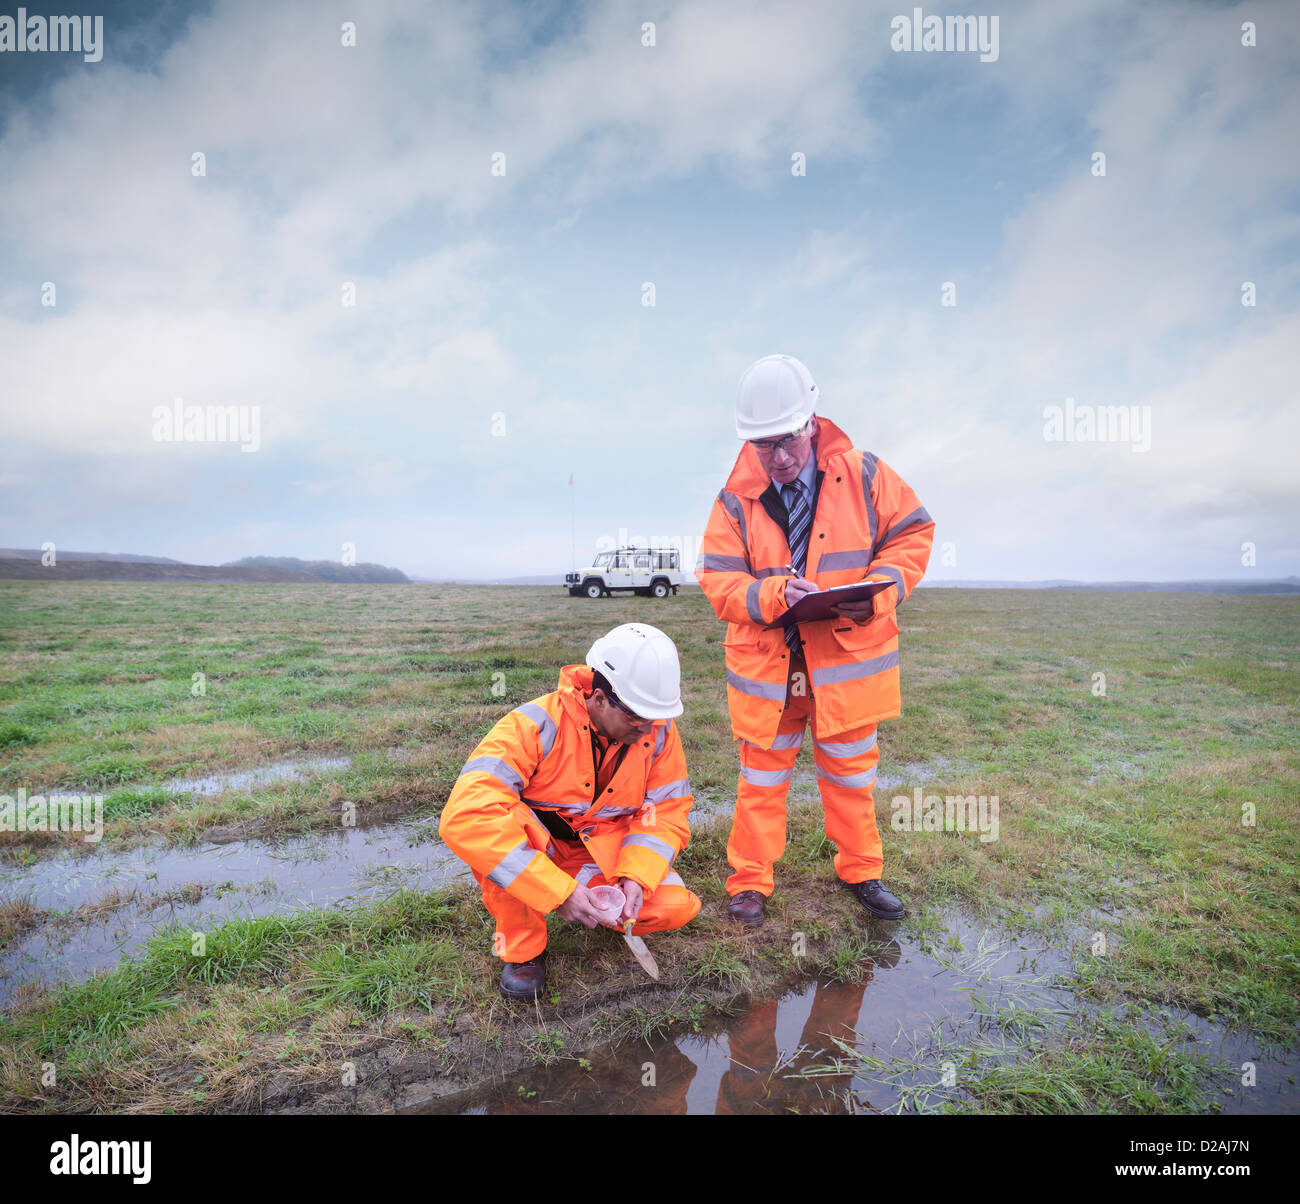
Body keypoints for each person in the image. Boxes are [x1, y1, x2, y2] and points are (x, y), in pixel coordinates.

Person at [696, 354, 935, 927]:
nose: (777, 457)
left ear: (811, 422)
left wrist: (882, 591)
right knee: (760, 780)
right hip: (771, 673)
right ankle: (750, 882)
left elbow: (913, 534)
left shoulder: (867, 473)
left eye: (786, 440)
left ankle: (862, 872)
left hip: (845, 664)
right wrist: (775, 596)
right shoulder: (734, 498)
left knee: (852, 776)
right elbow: (718, 580)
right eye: (762, 445)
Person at [439, 622, 702, 999]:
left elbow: (665, 809)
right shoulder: (532, 726)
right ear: (598, 698)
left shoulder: (656, 729)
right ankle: (524, 950)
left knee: (674, 907)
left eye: (653, 719)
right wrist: (557, 892)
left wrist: (637, 876)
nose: (646, 730)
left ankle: (601, 903)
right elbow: (467, 816)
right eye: (635, 718)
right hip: (540, 850)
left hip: (598, 848)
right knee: (503, 829)